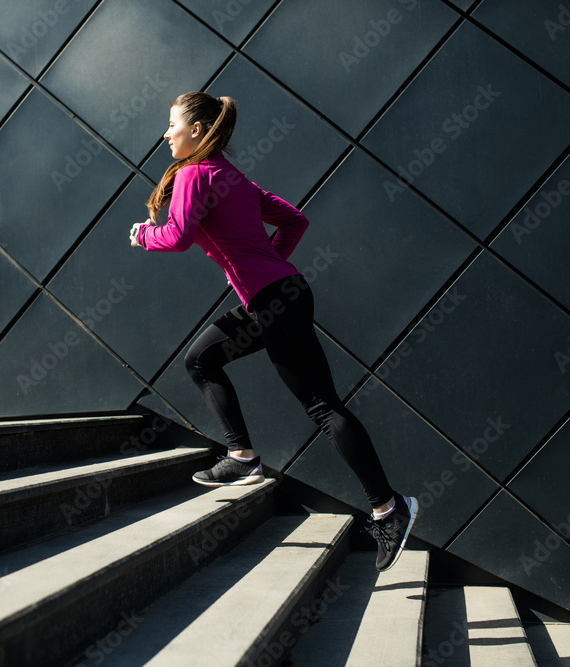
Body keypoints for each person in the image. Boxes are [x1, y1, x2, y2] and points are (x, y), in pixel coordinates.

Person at [128, 92, 417, 571]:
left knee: (322, 406)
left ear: (197, 130)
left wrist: (143, 235)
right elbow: (294, 220)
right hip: (274, 298)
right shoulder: (229, 175)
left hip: (273, 300)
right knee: (200, 360)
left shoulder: (194, 174)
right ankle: (242, 456)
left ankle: (390, 508)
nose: (165, 134)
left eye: (171, 124)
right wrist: (269, 268)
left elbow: (176, 237)